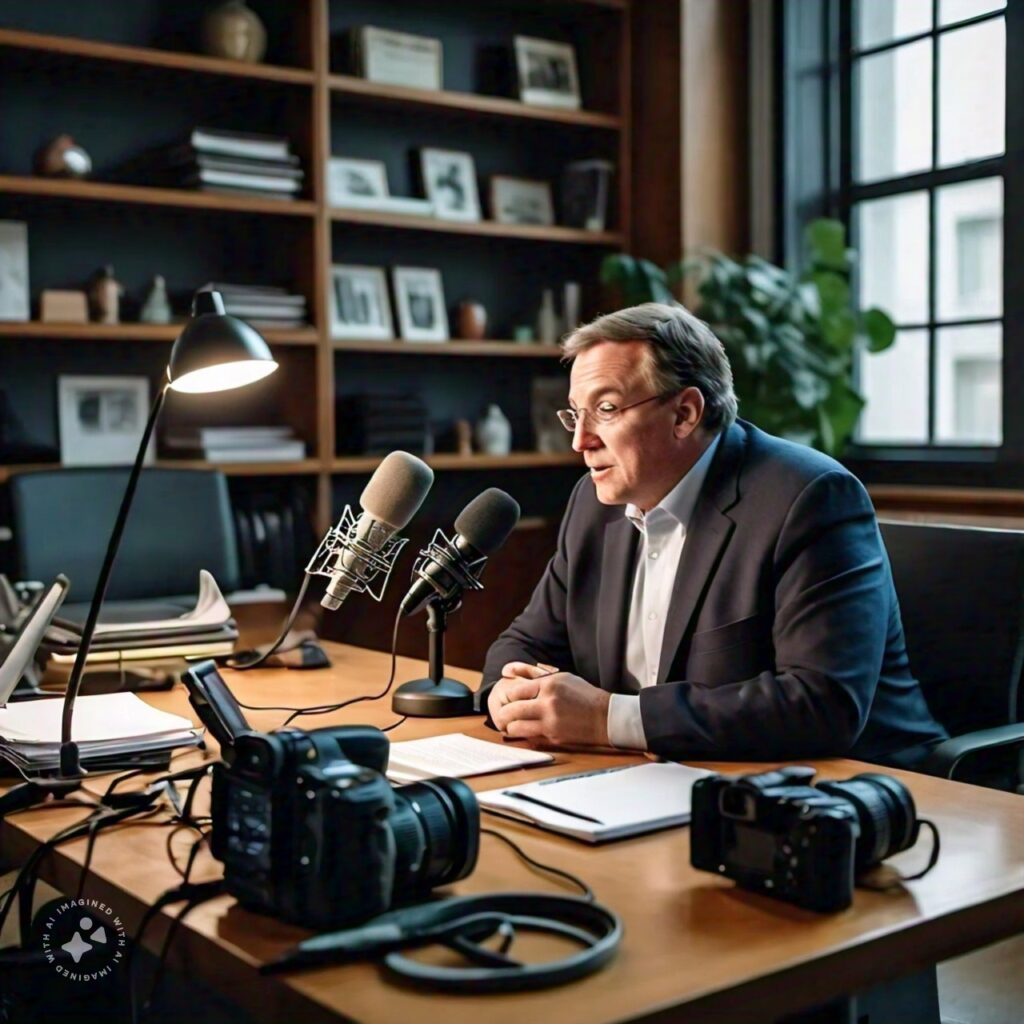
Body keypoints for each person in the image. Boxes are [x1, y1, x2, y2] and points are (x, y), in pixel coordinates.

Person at [479, 303, 946, 767]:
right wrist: (508, 692)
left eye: (605, 409)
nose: (581, 440)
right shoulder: (594, 503)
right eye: (575, 414)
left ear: (684, 414)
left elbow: (822, 703)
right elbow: (527, 641)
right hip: (661, 778)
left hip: (859, 789)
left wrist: (606, 718)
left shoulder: (809, 499)